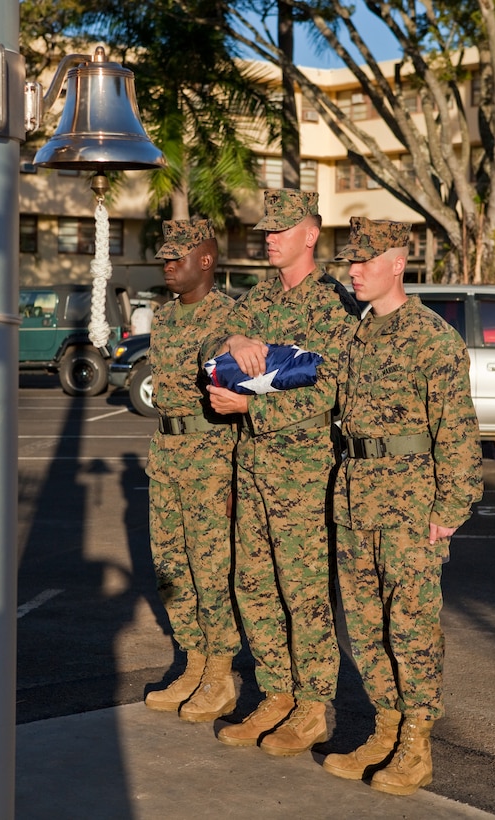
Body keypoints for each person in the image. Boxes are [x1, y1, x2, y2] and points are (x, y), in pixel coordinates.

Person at [323, 216, 484, 794]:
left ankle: (417, 744)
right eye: (351, 261)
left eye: (366, 261)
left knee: (411, 626)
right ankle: (385, 726)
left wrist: (450, 508)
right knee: (366, 627)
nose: (354, 271)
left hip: (409, 504)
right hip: (355, 495)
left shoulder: (433, 339)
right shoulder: (356, 334)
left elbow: (458, 435)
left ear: (398, 264)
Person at [200, 189, 359, 756]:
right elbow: (217, 339)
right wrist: (236, 339)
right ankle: (276, 694)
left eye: (281, 229)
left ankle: (312, 706)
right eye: (266, 230)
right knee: (254, 583)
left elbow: (334, 385)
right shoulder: (259, 294)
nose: (269, 238)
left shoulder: (333, 303)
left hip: (304, 472)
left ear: (310, 234)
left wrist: (254, 408)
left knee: (304, 590)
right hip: (252, 467)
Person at [144, 218, 241, 723]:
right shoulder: (162, 318)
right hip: (166, 453)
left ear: (205, 260)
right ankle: (194, 659)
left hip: (210, 457)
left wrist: (233, 479)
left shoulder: (230, 318)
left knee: (211, 567)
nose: (167, 264)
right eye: (164, 256)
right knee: (169, 564)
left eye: (176, 257)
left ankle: (220, 673)